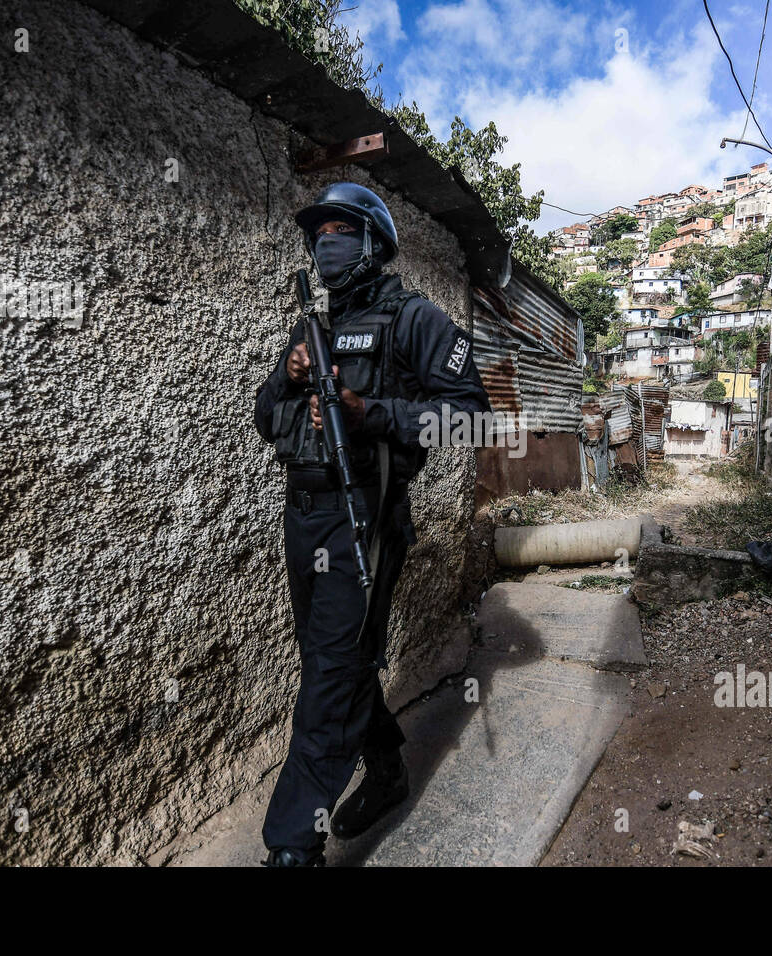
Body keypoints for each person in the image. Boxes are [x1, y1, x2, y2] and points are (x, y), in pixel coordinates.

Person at [253, 182, 491, 866]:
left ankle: (293, 845)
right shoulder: (312, 329)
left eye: (341, 231)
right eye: (318, 233)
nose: (326, 243)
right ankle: (386, 768)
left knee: (331, 675)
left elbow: (470, 415)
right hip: (304, 519)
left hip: (366, 517)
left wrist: (372, 414)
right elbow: (267, 420)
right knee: (334, 665)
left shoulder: (415, 319)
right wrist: (289, 380)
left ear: (373, 245)